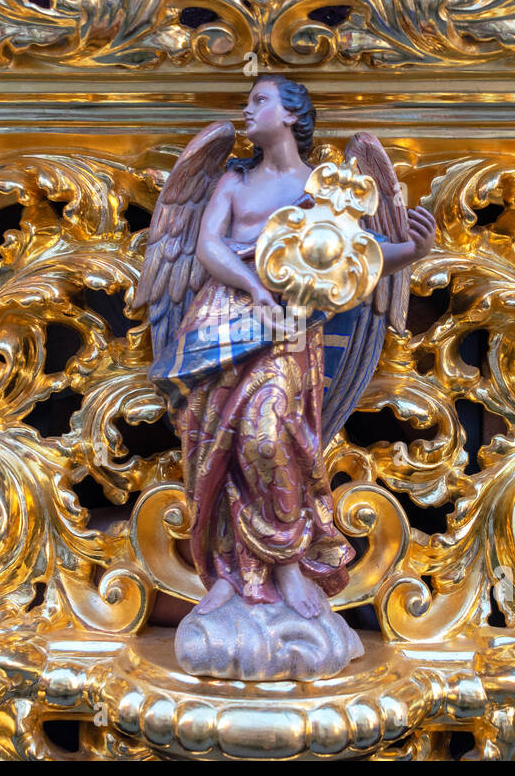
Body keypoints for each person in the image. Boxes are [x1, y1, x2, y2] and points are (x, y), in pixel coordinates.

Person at [147, 75, 436, 622]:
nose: (246, 109)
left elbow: (362, 256)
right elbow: (207, 245)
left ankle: (285, 566)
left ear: (291, 114)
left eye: (259, 100)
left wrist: (413, 251)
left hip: (289, 327)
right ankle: (232, 575)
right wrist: (254, 285)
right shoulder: (231, 182)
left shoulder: (327, 188)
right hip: (223, 324)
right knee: (213, 446)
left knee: (266, 437)